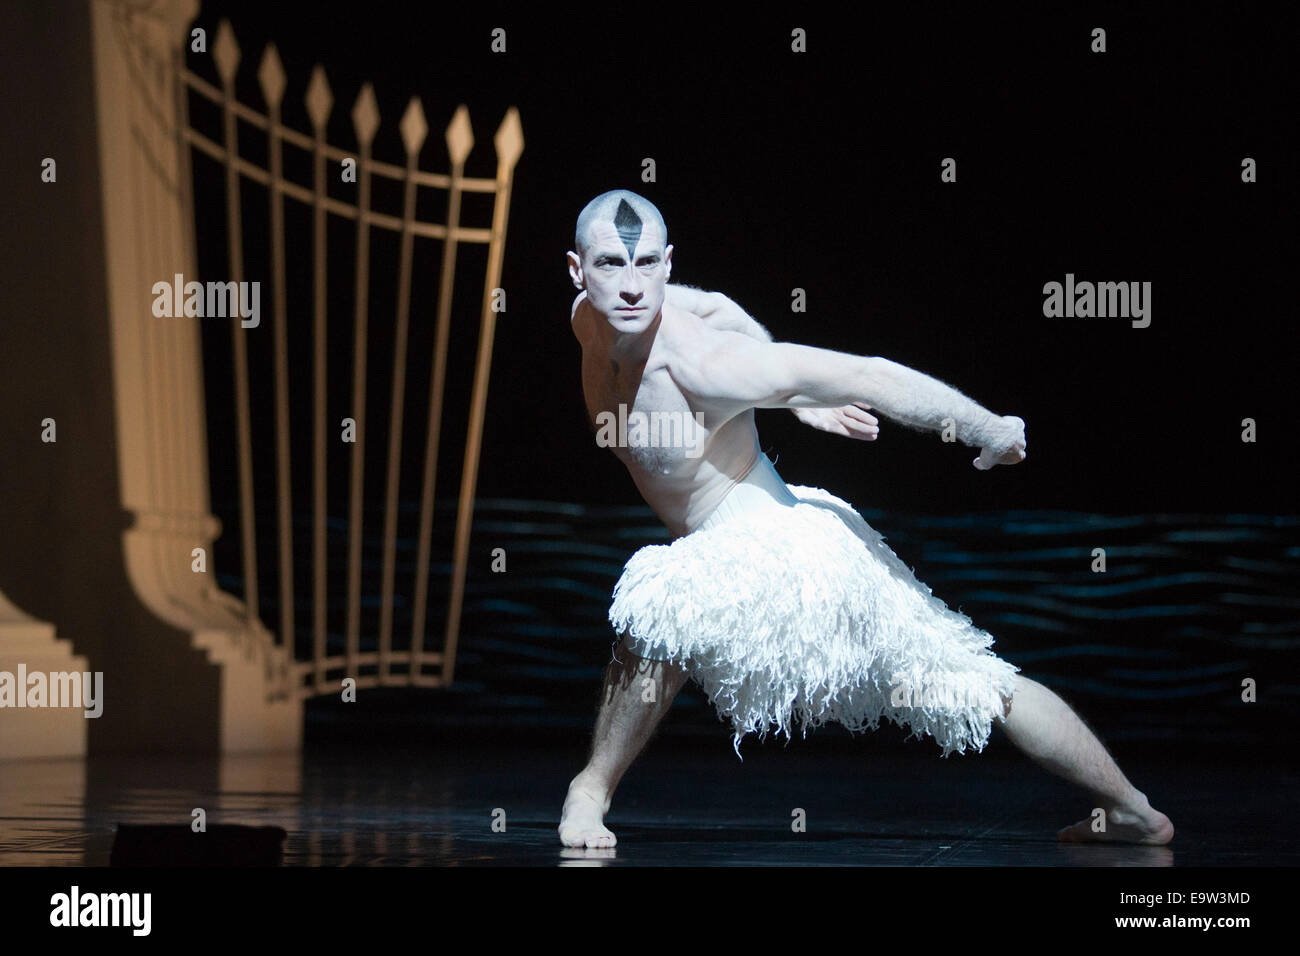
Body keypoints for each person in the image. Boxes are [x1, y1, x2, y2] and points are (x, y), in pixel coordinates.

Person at [558, 188, 1173, 850]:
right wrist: (793, 404)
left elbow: (867, 373)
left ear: (668, 262)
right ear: (577, 271)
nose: (630, 287)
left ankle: (589, 791)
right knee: (978, 685)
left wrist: (987, 428)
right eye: (611, 266)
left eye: (647, 264)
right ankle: (1136, 812)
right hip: (799, 538)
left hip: (773, 549)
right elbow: (718, 305)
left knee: (663, 604)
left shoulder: (706, 363)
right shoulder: (590, 318)